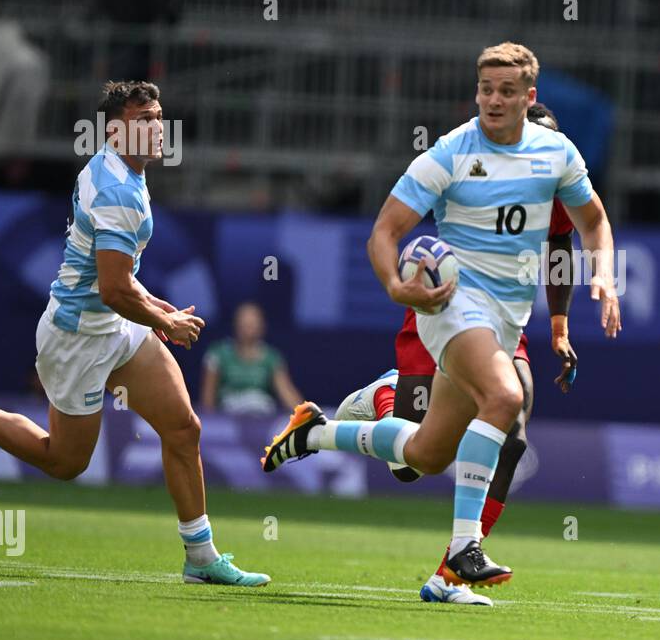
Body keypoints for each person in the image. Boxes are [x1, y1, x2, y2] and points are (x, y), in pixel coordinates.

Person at [261, 42, 620, 591]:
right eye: (485, 90)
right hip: (451, 304)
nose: (493, 101)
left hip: (505, 320)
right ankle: (462, 552)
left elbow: (593, 222)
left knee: (425, 455)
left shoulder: (557, 153)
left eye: (505, 91)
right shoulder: (449, 153)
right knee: (506, 397)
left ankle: (314, 434)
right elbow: (384, 232)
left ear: (530, 97)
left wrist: (604, 276)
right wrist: (395, 285)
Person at [0, 80, 269, 586]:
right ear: (114, 130)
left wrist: (152, 305)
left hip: (117, 325)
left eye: (158, 117)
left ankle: (201, 557)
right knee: (62, 462)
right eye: (143, 120)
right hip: (77, 337)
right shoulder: (117, 190)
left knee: (183, 429)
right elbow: (110, 288)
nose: (155, 128)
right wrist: (163, 319)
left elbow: (120, 282)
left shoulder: (118, 166)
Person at [334, 102, 579, 606]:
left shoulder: (553, 179)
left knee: (513, 431)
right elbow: (391, 224)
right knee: (412, 466)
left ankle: (455, 568)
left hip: (505, 324)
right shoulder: (470, 163)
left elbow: (559, 247)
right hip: (448, 312)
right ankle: (384, 394)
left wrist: (559, 325)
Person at [200, 302, 303, 414]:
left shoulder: (271, 358)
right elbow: (207, 399)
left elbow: (287, 392)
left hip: (261, 418)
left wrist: (306, 418)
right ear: (235, 324)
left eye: (252, 323)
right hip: (228, 418)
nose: (247, 328)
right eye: (244, 323)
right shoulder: (218, 354)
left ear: (262, 326)